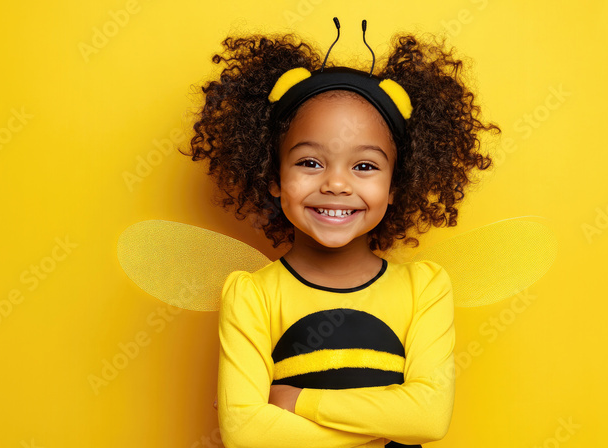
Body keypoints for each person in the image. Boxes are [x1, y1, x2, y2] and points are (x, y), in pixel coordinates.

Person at [184, 18, 498, 448]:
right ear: (273, 177)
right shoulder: (251, 295)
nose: (336, 184)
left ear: (395, 187)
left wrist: (295, 401)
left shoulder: (424, 289)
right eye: (310, 163)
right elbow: (246, 434)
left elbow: (427, 418)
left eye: (364, 166)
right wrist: (383, 427)